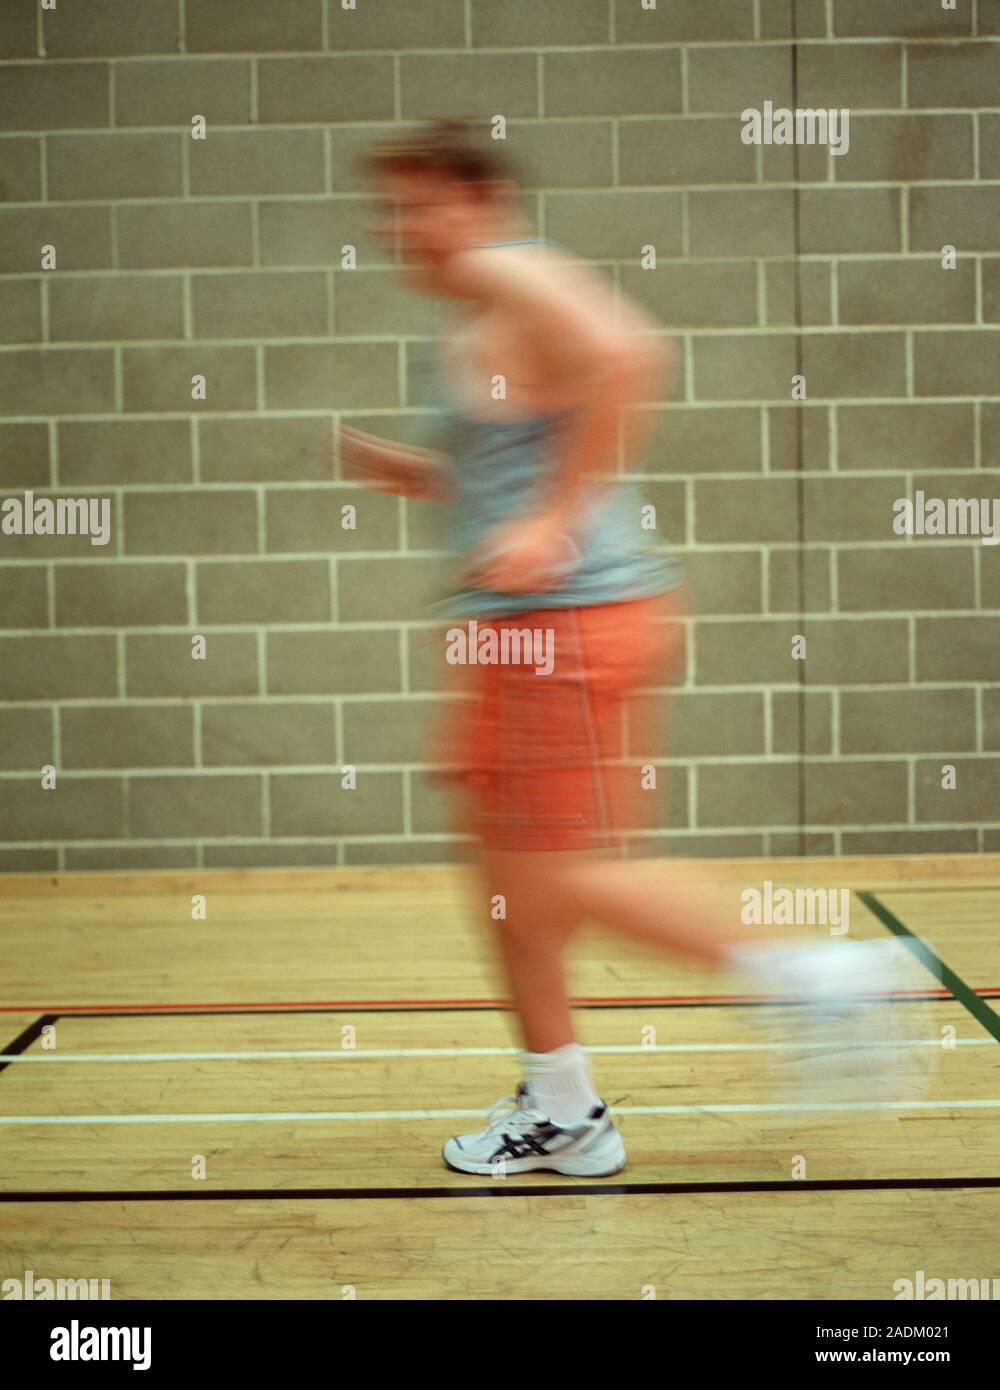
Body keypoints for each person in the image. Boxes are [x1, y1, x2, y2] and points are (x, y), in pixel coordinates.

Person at [335, 120, 930, 1177]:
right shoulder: (481, 306)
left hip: (559, 632)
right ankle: (562, 1102)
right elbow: (516, 455)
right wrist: (414, 473)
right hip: (516, 635)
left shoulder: (502, 267)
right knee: (509, 872)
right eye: (387, 209)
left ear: (478, 200)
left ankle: (819, 977)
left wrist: (555, 522)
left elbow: (632, 355)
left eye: (416, 204)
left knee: (561, 873)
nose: (398, 229)